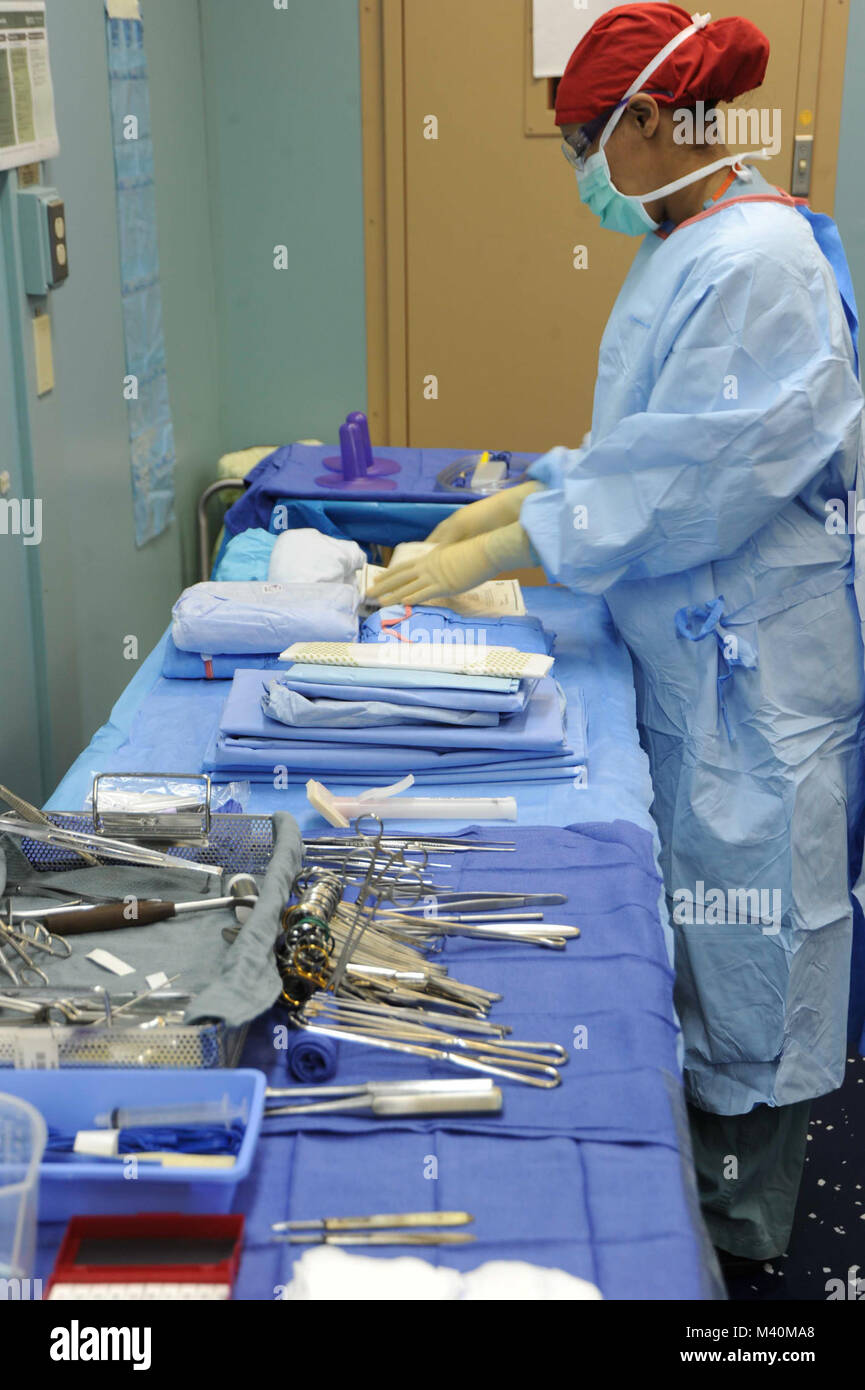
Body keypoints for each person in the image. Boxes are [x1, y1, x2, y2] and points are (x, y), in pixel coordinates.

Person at [369, 3, 865, 1265]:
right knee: (695, 930)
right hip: (699, 649)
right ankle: (689, 1183)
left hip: (749, 675)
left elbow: (679, 484)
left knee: (750, 930)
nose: (577, 170)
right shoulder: (685, 236)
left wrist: (494, 548)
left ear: (648, 119)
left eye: (583, 140)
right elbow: (642, 451)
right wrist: (512, 501)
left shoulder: (756, 261)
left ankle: (740, 1246)